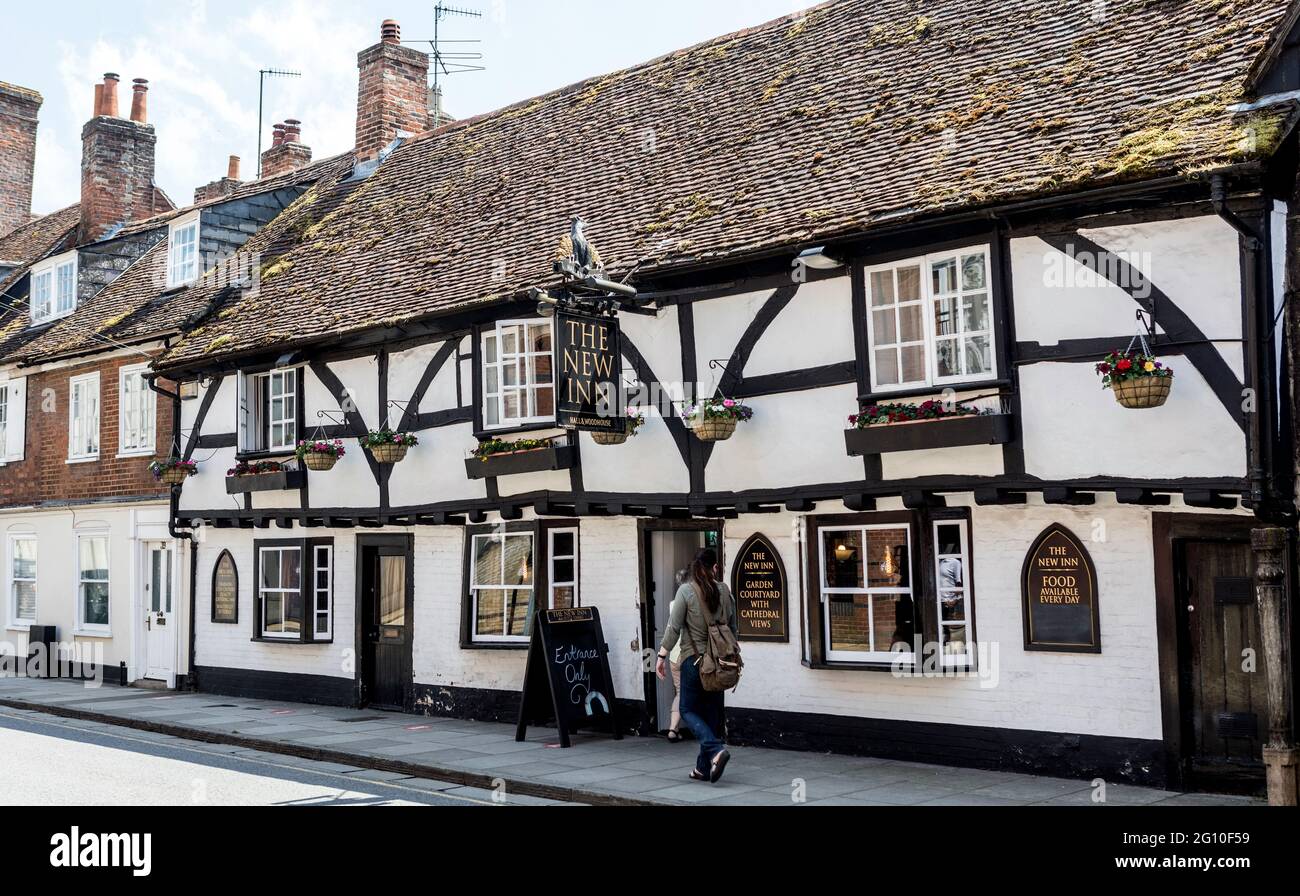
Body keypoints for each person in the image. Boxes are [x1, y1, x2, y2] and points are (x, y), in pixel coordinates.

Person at [656, 548, 738, 783]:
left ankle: (715, 749)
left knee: (687, 710)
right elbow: (733, 627)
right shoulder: (724, 591)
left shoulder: (686, 591)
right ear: (714, 568)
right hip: (719, 663)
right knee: (710, 714)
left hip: (694, 660)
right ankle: (703, 768)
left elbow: (673, 628)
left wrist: (661, 657)